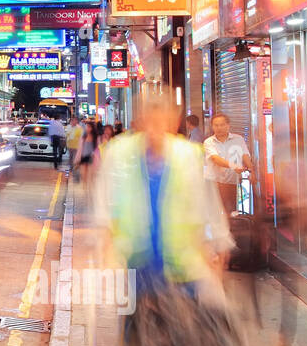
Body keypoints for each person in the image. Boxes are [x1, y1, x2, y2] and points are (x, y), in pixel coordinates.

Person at [93, 97, 232, 305]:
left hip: (183, 267)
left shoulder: (188, 155)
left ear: (172, 124)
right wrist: (104, 240)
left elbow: (208, 202)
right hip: (137, 264)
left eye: (160, 123)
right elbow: (104, 199)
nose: (154, 129)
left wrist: (220, 242)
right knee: (136, 331)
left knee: (184, 334)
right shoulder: (121, 153)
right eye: (149, 122)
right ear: (140, 122)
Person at [203, 113, 254, 214]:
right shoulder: (209, 142)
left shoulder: (238, 139)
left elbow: (245, 155)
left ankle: (231, 229)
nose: (219, 128)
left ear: (228, 125)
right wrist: (233, 166)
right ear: (212, 126)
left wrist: (252, 171)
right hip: (214, 183)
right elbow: (215, 158)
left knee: (231, 213)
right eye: (216, 125)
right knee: (214, 214)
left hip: (231, 182)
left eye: (222, 125)